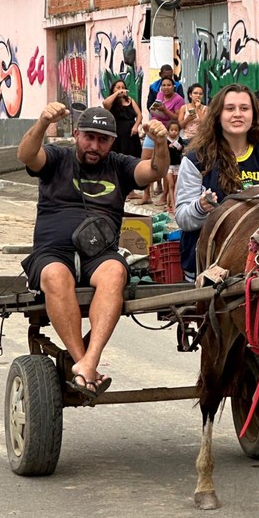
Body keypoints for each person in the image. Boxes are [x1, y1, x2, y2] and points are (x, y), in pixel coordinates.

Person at [16, 104, 169, 399]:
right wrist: (43, 121)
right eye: (89, 137)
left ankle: (88, 362)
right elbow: (26, 155)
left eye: (102, 140)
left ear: (112, 142)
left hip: (99, 256)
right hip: (52, 252)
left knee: (116, 271)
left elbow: (155, 170)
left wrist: (160, 143)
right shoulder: (57, 159)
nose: (94, 145)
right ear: (76, 134)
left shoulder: (119, 165)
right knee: (54, 276)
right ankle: (83, 363)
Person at [176, 84, 259, 282]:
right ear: (218, 115)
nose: (237, 114)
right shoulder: (196, 159)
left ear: (255, 115)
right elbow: (183, 219)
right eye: (230, 108)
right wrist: (200, 208)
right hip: (207, 265)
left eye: (244, 108)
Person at [141, 78, 185, 205]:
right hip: (152, 128)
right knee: (145, 161)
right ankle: (146, 194)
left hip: (166, 133)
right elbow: (153, 110)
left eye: (168, 85)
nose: (166, 87)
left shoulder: (178, 100)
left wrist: (165, 110)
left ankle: (165, 196)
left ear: (173, 86)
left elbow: (177, 118)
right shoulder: (159, 95)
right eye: (163, 85)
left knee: (166, 166)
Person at [102, 79, 142, 159]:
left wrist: (135, 126)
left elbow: (139, 115)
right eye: (118, 87)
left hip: (131, 133)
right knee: (118, 155)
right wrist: (117, 93)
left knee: (133, 155)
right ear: (113, 89)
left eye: (123, 87)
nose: (121, 89)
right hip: (118, 133)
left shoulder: (130, 100)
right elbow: (105, 104)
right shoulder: (112, 102)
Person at [165, 120, 184, 214]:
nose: (174, 132)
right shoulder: (166, 140)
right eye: (172, 130)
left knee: (174, 186)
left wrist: (180, 148)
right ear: (168, 130)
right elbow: (163, 152)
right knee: (171, 184)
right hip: (168, 165)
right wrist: (168, 147)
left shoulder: (179, 139)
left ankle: (168, 205)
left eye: (176, 130)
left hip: (177, 164)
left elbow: (180, 152)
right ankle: (174, 205)